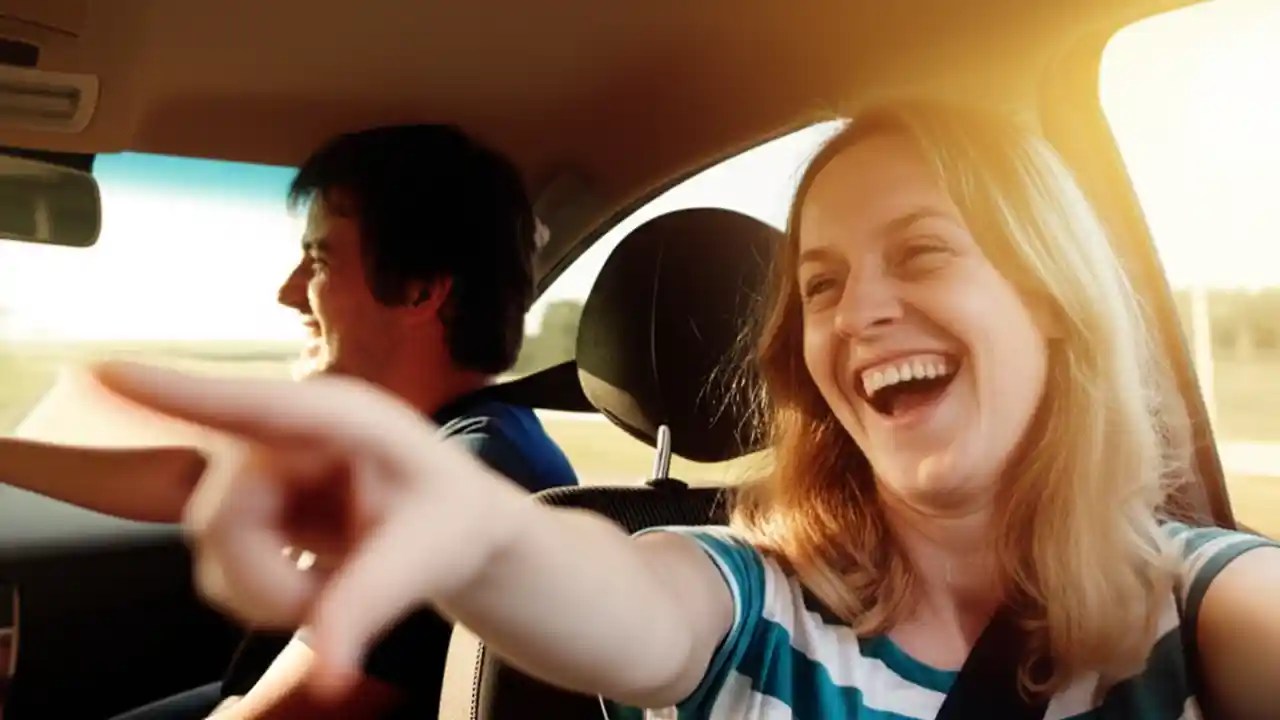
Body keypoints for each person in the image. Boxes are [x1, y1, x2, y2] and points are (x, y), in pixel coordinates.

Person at [87, 101, 1280, 719]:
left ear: (1052, 301)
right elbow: (622, 603)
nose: (857, 313)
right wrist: (472, 526)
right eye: (820, 285)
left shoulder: (1197, 603)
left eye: (921, 254)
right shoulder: (749, 596)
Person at [1, 123, 577, 720]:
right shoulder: (422, 442)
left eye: (320, 261)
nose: (288, 292)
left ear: (419, 290)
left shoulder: (464, 479)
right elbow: (195, 478)